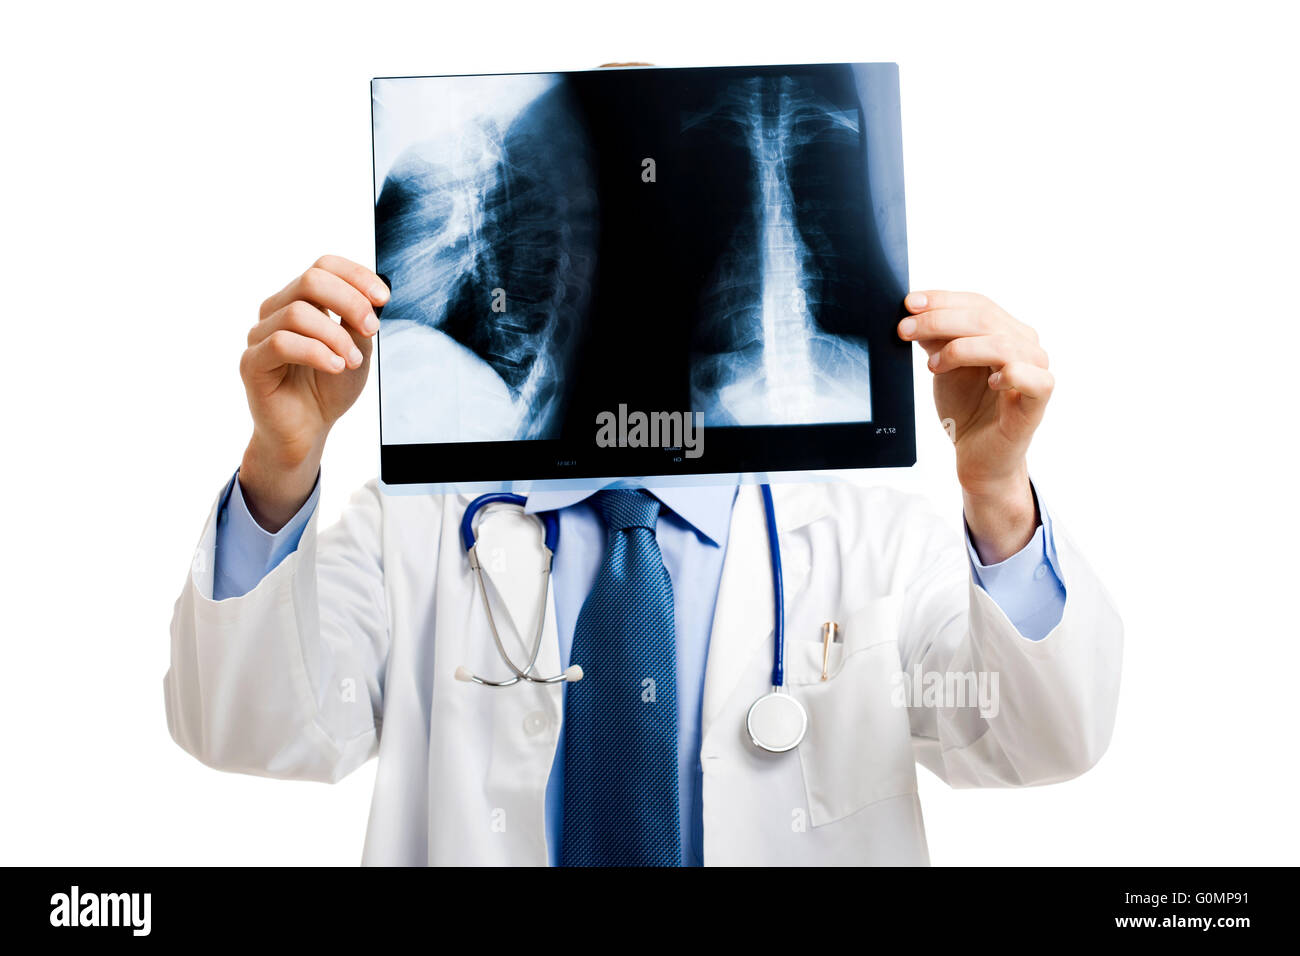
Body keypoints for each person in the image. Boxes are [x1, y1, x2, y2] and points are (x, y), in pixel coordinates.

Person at [165, 249, 1122, 865]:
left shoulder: (873, 543)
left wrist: (998, 492)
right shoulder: (411, 531)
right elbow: (244, 727)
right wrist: (280, 466)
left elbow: (1041, 741)